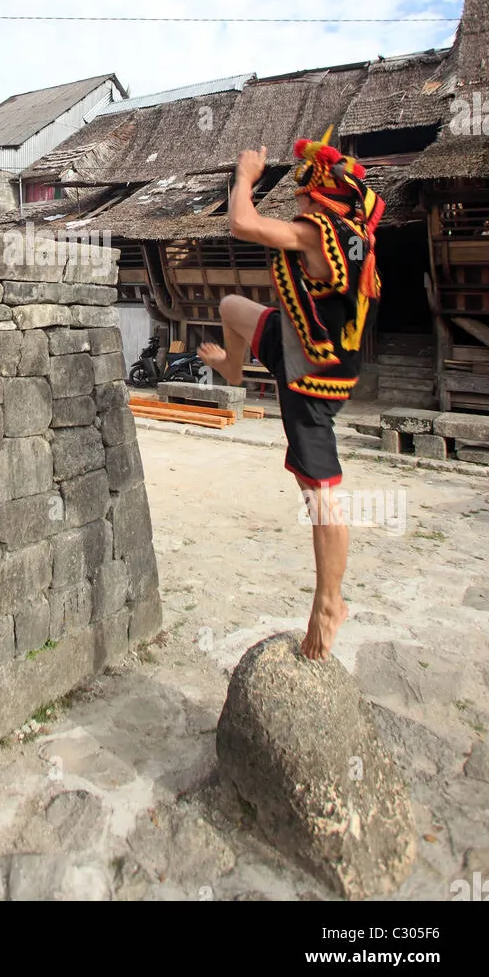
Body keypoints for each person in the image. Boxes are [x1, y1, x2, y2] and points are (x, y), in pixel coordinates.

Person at [198, 129, 385, 661]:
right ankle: (233, 371)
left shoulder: (316, 232)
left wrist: (245, 179)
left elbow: (242, 223)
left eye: (303, 191)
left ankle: (330, 604)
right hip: (297, 337)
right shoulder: (355, 232)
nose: (298, 198)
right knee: (233, 305)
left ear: (319, 195)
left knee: (319, 494)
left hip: (313, 375)